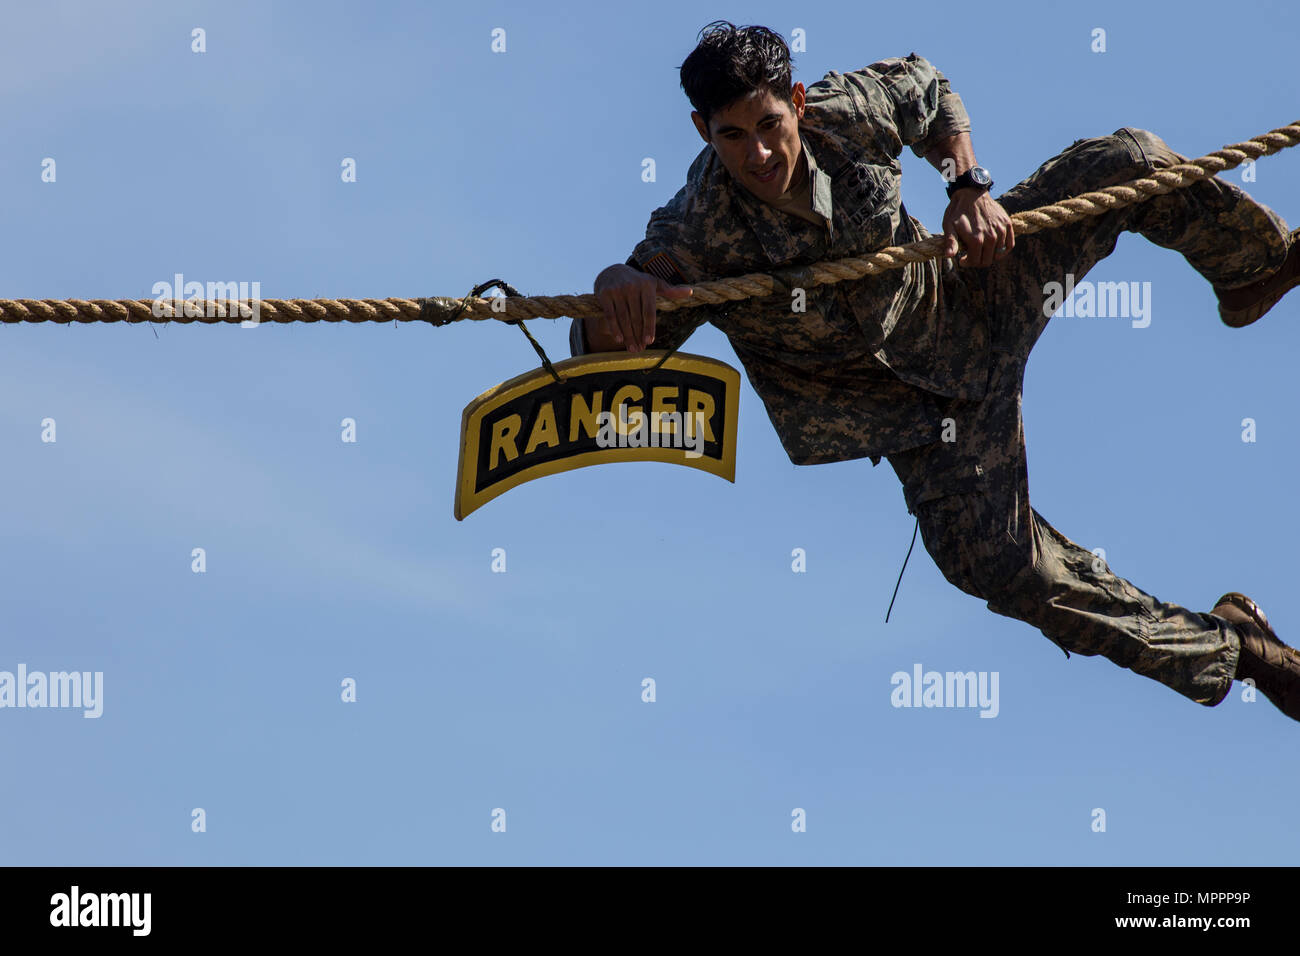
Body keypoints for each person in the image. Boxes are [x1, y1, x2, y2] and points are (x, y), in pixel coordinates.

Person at [568, 21, 1300, 722]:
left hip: (976, 296)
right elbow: (607, 344)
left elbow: (928, 90)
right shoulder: (696, 227)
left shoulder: (845, 113)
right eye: (732, 136)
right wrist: (613, 285)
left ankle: (1254, 268)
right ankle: (1232, 649)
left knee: (1129, 161)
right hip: (921, 424)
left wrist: (967, 187)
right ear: (704, 132)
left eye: (769, 126)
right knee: (1006, 569)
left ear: (794, 104)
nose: (758, 155)